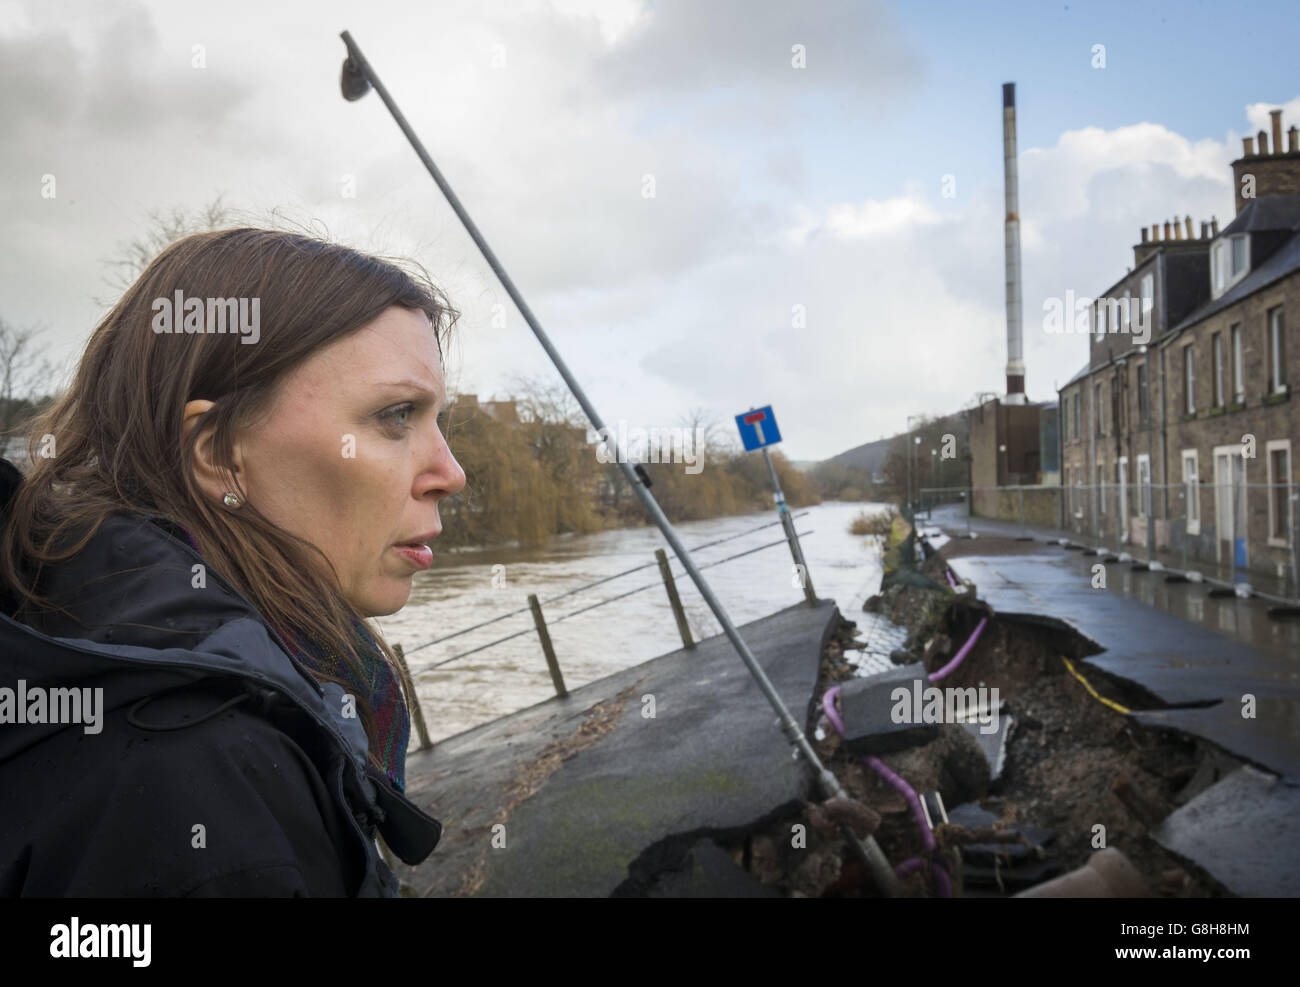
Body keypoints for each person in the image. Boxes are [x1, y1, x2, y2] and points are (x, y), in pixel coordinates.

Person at [0, 227, 467, 896]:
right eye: (396, 414)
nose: (450, 472)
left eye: (436, 418)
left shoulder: (110, 658)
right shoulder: (202, 777)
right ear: (217, 454)